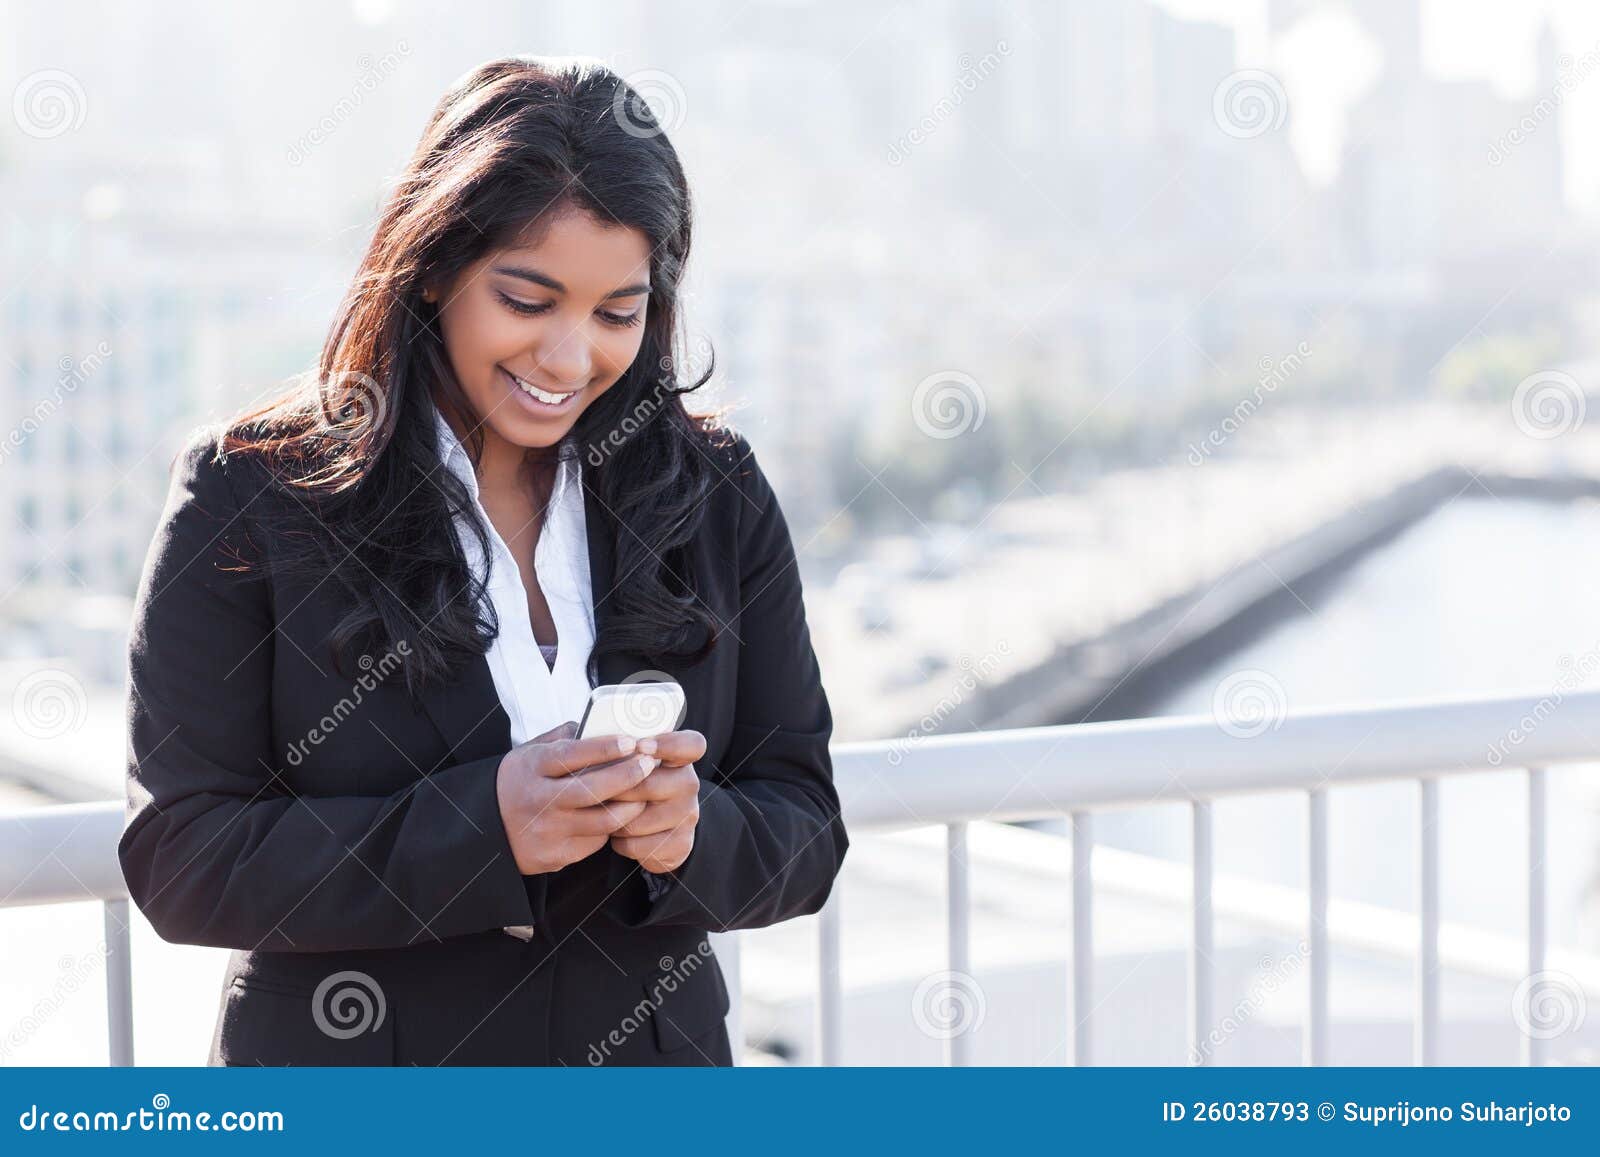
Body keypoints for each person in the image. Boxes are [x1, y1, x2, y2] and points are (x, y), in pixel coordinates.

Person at [117, 55, 847, 1066]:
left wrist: (693, 833)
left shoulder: (714, 493)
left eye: (617, 312)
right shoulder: (257, 490)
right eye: (527, 299)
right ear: (432, 267)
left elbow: (806, 823)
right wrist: (482, 829)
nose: (570, 357)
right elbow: (183, 855)